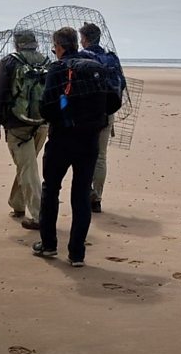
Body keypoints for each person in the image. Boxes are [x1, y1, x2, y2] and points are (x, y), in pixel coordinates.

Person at [33, 27, 119, 267]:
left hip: (61, 138)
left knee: (51, 190)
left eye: (54, 48)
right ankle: (77, 253)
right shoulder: (96, 67)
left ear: (60, 47)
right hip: (89, 139)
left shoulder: (58, 68)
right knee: (81, 195)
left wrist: (62, 113)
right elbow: (114, 101)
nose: (54, 52)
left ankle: (49, 245)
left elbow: (46, 107)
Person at [0, 30, 49, 230]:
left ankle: (39, 216)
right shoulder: (47, 61)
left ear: (17, 45)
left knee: (27, 169)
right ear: (35, 43)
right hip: (42, 122)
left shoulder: (9, 62)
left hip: (17, 124)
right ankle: (17, 203)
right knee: (27, 165)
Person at [77, 22, 124, 213]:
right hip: (107, 113)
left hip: (86, 116)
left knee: (83, 156)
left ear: (85, 39)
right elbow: (122, 84)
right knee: (101, 157)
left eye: (81, 39)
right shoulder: (111, 58)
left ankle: (84, 193)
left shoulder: (81, 58)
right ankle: (96, 198)